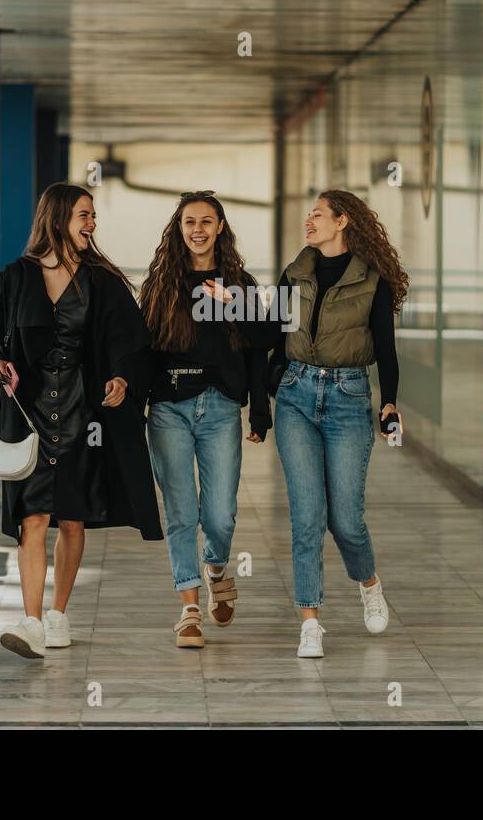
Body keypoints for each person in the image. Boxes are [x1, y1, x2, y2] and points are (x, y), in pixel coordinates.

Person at [0, 182, 162, 660]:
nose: (91, 223)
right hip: (29, 416)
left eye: (93, 215)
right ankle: (32, 622)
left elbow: (130, 341)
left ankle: (58, 613)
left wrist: (121, 378)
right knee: (31, 518)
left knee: (74, 520)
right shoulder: (16, 276)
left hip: (83, 416)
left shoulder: (100, 280)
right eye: (83, 214)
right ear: (58, 219)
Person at [268, 189, 408, 658]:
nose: (309, 221)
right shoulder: (294, 273)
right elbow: (271, 333)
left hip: (349, 398)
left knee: (345, 520)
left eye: (318, 214)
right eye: (308, 215)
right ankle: (310, 622)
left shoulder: (373, 280)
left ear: (343, 221)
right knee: (306, 517)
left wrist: (389, 403)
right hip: (296, 399)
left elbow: (385, 348)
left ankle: (368, 583)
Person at [140, 191, 272, 648]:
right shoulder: (160, 284)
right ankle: (189, 609)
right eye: (189, 221)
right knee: (180, 513)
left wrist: (260, 408)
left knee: (220, 513)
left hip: (219, 408)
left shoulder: (241, 282)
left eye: (206, 221)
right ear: (179, 229)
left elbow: (262, 343)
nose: (197, 229)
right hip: (168, 409)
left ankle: (216, 566)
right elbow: (144, 352)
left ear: (220, 228)